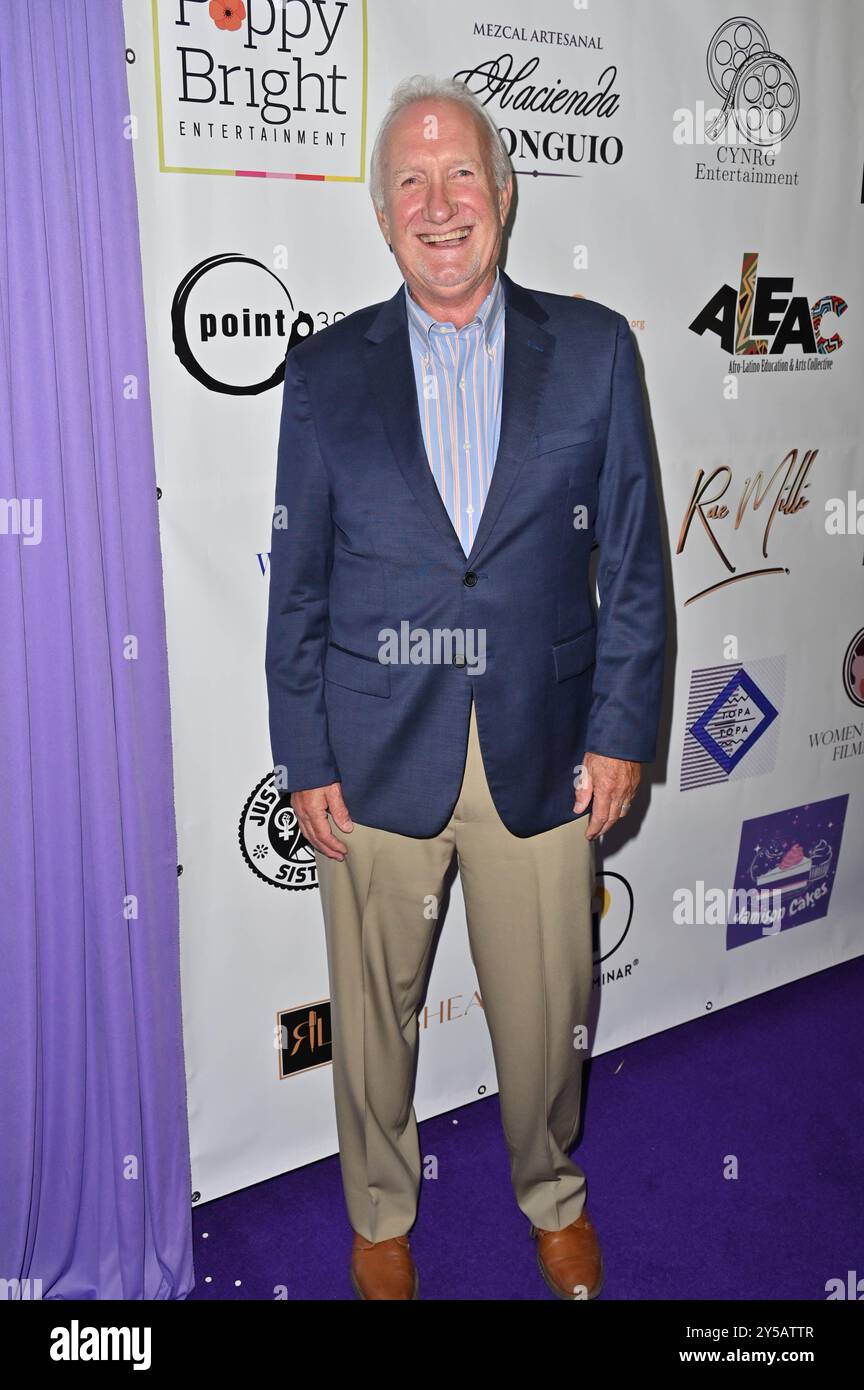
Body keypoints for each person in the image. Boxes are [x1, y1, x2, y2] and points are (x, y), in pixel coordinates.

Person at [265, 74, 667, 1300]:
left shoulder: (596, 351)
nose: (441, 204)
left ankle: (553, 1192)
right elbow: (300, 581)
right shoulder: (326, 372)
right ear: (385, 217)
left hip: (543, 752)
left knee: (548, 1015)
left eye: (462, 176)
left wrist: (620, 731)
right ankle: (381, 1218)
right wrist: (307, 754)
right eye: (412, 183)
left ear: (505, 194)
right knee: (373, 1021)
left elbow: (638, 561)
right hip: (376, 750)